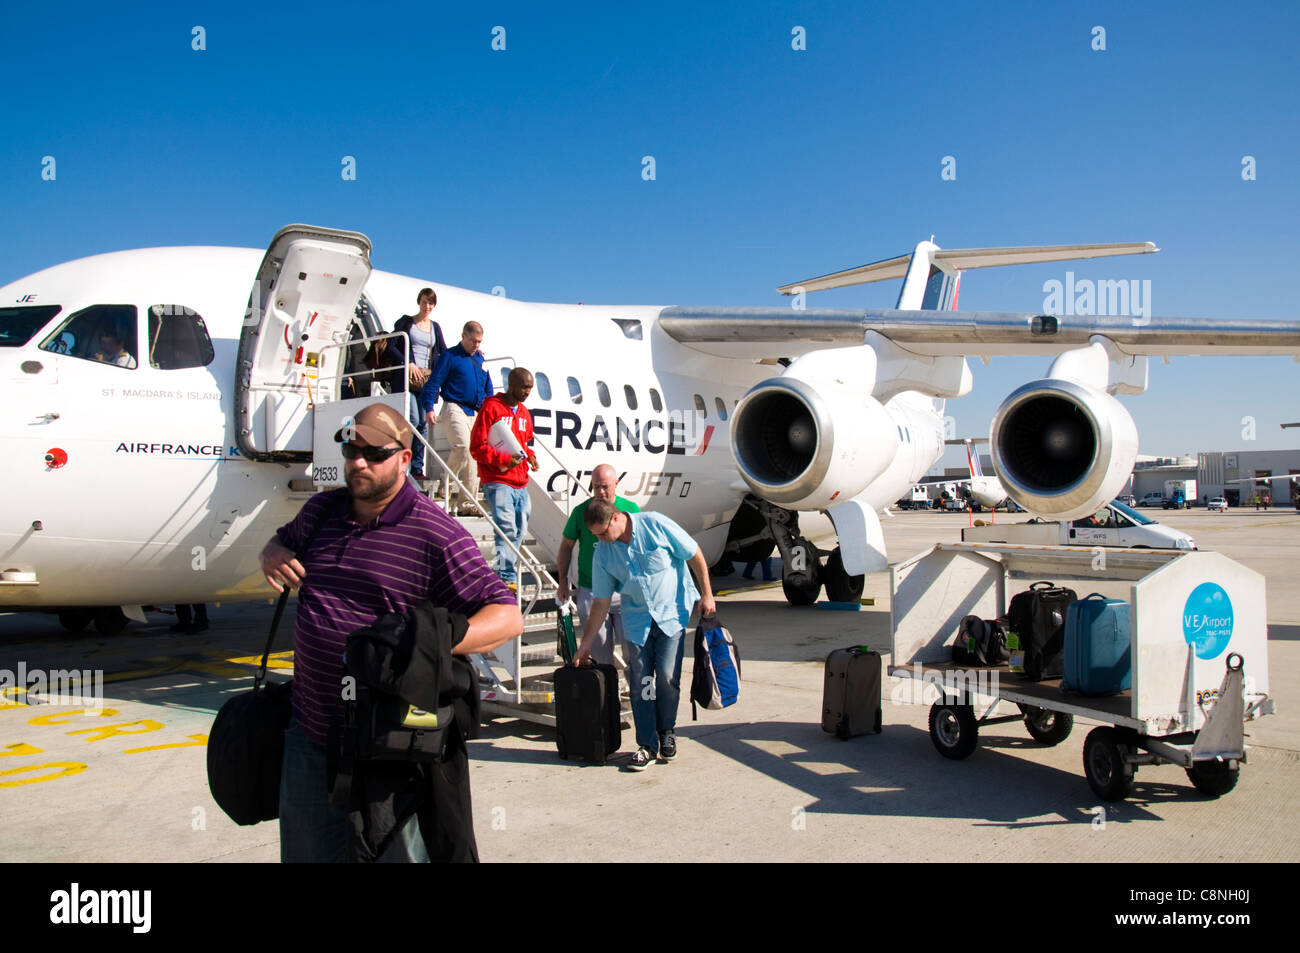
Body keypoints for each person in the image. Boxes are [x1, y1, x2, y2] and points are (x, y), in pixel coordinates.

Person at [259, 402, 521, 862]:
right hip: (312, 734)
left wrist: (428, 642)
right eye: (351, 449)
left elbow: (506, 615)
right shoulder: (322, 511)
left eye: (374, 454)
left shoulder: (434, 534)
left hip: (386, 752)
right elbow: (280, 542)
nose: (358, 462)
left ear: (403, 458)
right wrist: (272, 553)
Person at [573, 500, 717, 771]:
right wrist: (586, 644)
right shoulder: (603, 552)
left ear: (616, 519)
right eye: (596, 536)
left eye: (603, 533)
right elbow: (601, 602)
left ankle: (667, 731)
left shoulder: (655, 524)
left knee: (665, 677)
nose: (601, 540)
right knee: (642, 683)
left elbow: (693, 553)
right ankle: (647, 744)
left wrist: (707, 594)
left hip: (671, 614)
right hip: (637, 620)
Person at [556, 464, 640, 664]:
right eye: (596, 487)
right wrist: (562, 580)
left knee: (633, 651)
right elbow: (566, 546)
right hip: (591, 590)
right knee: (600, 652)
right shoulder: (581, 512)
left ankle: (640, 691)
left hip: (624, 591)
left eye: (605, 487)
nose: (600, 492)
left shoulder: (630, 510)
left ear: (616, 484)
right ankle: (606, 692)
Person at [470, 367, 539, 585]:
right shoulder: (491, 408)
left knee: (520, 529)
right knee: (506, 528)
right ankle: (505, 576)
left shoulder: (525, 414)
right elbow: (476, 447)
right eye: (524, 387)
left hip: (521, 481)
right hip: (498, 481)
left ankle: (504, 570)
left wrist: (531, 457)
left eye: (530, 388)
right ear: (512, 385)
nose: (528, 392)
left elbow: (522, 445)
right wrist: (503, 460)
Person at [423, 322, 492, 514]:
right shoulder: (450, 356)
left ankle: (467, 504)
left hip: (475, 411)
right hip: (454, 406)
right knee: (462, 447)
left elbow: (487, 387)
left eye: (479, 342)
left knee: (475, 457)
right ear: (463, 336)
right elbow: (434, 381)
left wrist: (490, 411)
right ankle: (447, 480)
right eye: (473, 341)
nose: (476, 345)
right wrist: (429, 406)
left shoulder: (480, 361)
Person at [390, 288, 447, 482]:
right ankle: (402, 464)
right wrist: (408, 362)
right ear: (419, 302)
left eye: (431, 303)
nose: (427, 306)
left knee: (423, 425)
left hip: (425, 381)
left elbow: (443, 351)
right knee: (413, 420)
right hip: (407, 379)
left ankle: (416, 468)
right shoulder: (406, 322)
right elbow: (391, 346)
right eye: (424, 302)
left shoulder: (435, 327)